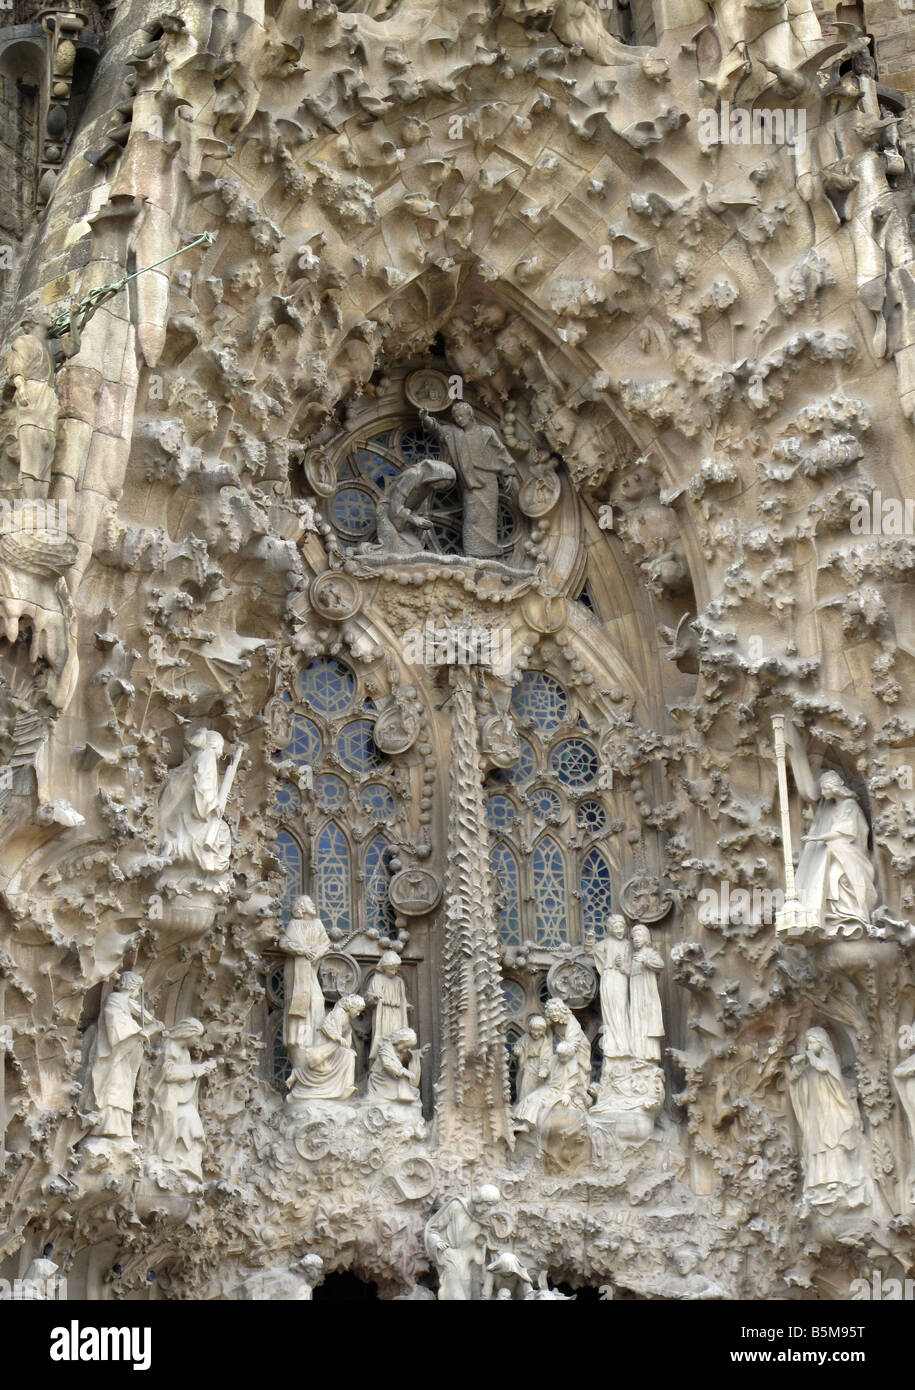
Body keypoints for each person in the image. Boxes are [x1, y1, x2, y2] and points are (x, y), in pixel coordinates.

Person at [420, 403, 516, 558]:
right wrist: (426, 419)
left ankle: (489, 554)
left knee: (488, 518)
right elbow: (437, 430)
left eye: (461, 416)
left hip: (488, 480)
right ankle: (473, 553)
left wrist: (509, 472)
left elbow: (500, 452)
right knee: (472, 517)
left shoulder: (486, 432)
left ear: (470, 415)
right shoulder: (454, 433)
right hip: (470, 483)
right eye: (456, 417)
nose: (459, 419)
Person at [788, 1027, 868, 1209]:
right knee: (818, 1146)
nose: (810, 1046)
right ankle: (818, 1184)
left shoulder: (829, 1060)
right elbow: (796, 1083)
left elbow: (827, 1070)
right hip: (816, 1113)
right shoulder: (810, 1068)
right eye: (808, 1043)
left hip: (833, 1110)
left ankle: (839, 1180)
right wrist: (798, 1069)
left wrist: (810, 1057)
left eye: (813, 1042)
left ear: (822, 1042)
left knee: (833, 1142)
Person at [795, 772, 877, 937]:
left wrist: (817, 838)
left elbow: (844, 832)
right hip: (839, 851)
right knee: (831, 877)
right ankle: (835, 917)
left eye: (824, 788)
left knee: (838, 877)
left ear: (832, 787)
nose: (823, 793)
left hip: (849, 853)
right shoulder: (833, 807)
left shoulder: (849, 805)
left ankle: (852, 915)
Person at [86, 972, 157, 1141]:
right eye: (138, 989)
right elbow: (116, 1025)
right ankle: (105, 1128)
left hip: (124, 1056)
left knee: (123, 1089)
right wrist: (143, 1031)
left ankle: (120, 1130)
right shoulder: (115, 1000)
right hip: (113, 1055)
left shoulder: (126, 1003)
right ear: (132, 987)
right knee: (113, 1087)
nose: (138, 994)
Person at [279, 896, 331, 1065]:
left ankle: (316, 1038)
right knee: (300, 1003)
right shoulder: (294, 924)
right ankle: (300, 1043)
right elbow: (284, 943)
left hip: (312, 969)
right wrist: (302, 950)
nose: (314, 904)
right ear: (301, 907)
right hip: (296, 971)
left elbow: (326, 943)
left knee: (317, 1000)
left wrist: (318, 953)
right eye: (309, 903)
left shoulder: (318, 924)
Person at [287, 994, 365, 1101]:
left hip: (334, 1048)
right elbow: (326, 1026)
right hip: (325, 1045)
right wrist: (338, 1038)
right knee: (328, 1064)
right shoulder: (339, 1013)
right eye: (357, 1010)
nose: (358, 1013)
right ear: (351, 1007)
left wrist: (344, 1040)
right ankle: (298, 1074)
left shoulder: (345, 1017)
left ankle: (346, 1087)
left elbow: (347, 1034)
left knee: (349, 1055)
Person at [587, 915, 631, 1060]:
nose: (619, 930)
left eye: (621, 927)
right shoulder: (605, 943)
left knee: (621, 1008)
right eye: (616, 927)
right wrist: (590, 940)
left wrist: (622, 964)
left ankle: (623, 1041)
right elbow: (591, 951)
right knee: (609, 1008)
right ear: (610, 929)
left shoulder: (627, 944)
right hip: (608, 977)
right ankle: (612, 1039)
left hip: (621, 978)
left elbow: (632, 965)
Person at [364, 951, 409, 1060]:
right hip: (382, 1013)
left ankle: (397, 1063)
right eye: (391, 969)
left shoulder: (399, 981)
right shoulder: (377, 979)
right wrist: (374, 998)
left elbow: (403, 999)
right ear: (384, 967)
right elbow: (368, 997)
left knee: (397, 1039)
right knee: (383, 1039)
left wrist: (406, 1005)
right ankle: (380, 1065)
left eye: (396, 969)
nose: (394, 972)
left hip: (397, 1014)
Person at [629, 923, 664, 1062]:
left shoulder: (650, 953)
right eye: (633, 937)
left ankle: (650, 1055)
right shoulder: (634, 956)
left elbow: (660, 965)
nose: (635, 939)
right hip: (635, 992)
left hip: (647, 993)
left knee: (647, 1021)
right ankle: (638, 1054)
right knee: (637, 1020)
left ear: (645, 937)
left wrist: (645, 960)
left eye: (638, 935)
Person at [365, 1027, 427, 1105]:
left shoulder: (401, 1050)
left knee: (412, 1091)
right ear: (398, 1041)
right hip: (380, 1079)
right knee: (404, 1091)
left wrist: (420, 1052)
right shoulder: (385, 1050)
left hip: (392, 1078)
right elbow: (387, 1065)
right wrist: (401, 1072)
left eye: (408, 1048)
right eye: (405, 1047)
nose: (406, 1050)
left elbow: (410, 1055)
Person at [511, 1015, 553, 1103]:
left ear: (543, 1031)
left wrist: (544, 1067)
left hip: (540, 1065)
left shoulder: (546, 1042)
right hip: (528, 1064)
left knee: (539, 1085)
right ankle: (523, 1103)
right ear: (530, 1029)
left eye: (539, 1031)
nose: (536, 1033)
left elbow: (548, 1057)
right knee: (526, 1082)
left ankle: (535, 1105)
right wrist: (517, 1052)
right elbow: (518, 1047)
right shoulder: (526, 1038)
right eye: (534, 1030)